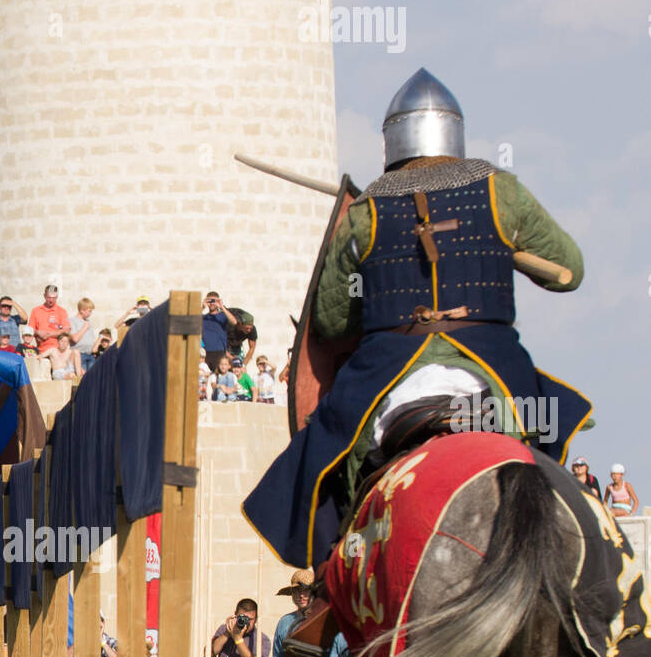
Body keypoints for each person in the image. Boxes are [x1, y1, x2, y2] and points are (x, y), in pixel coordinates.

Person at [243, 68, 590, 585]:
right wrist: (503, 250)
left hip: (387, 374)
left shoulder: (365, 214)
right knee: (542, 441)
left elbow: (334, 319)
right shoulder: (501, 193)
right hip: (491, 369)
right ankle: (571, 574)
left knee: (325, 461)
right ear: (455, 133)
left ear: (391, 143)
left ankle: (327, 587)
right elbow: (569, 272)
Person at [202, 292, 238, 371]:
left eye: (213, 301)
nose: (212, 304)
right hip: (205, 352)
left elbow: (234, 322)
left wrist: (222, 307)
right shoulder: (203, 317)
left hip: (219, 351)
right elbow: (192, 320)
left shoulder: (222, 315)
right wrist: (202, 307)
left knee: (219, 376)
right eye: (209, 301)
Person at [29, 284, 71, 352]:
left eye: (54, 298)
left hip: (58, 350)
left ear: (57, 296)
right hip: (41, 350)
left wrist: (50, 334)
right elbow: (30, 329)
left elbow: (67, 330)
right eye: (49, 297)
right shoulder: (36, 311)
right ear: (44, 296)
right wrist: (37, 332)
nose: (51, 300)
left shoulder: (62, 311)